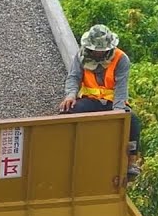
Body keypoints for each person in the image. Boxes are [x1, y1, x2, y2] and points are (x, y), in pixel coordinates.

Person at [59, 24, 142, 179]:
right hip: (89, 100)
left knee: (133, 122)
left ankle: (130, 161)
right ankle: (65, 152)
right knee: (66, 112)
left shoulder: (121, 59)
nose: (98, 52)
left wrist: (118, 113)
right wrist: (70, 95)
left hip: (112, 103)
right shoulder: (80, 56)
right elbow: (74, 77)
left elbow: (121, 87)